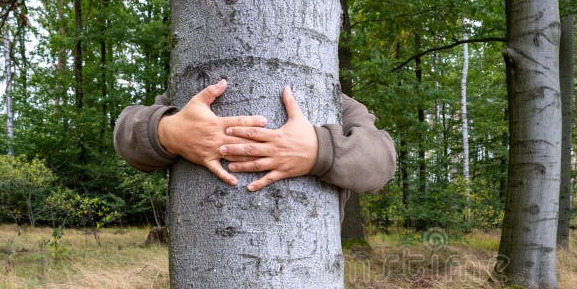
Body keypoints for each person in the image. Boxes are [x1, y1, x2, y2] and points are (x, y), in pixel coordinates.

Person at [113, 80, 396, 217]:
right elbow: (125, 131)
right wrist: (169, 131)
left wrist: (319, 150)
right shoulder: (195, 89)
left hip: (310, 281)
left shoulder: (334, 100)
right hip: (204, 273)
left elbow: (382, 162)